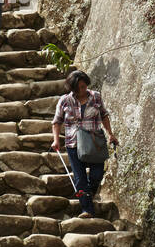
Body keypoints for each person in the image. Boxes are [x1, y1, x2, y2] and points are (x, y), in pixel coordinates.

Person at [51, 69, 119, 218]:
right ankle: (87, 210)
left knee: (97, 175)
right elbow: (57, 122)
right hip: (73, 143)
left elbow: (104, 115)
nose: (82, 90)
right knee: (80, 178)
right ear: (72, 88)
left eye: (84, 86)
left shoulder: (95, 97)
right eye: (78, 88)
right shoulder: (64, 100)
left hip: (94, 142)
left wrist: (110, 134)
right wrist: (56, 140)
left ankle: (89, 194)